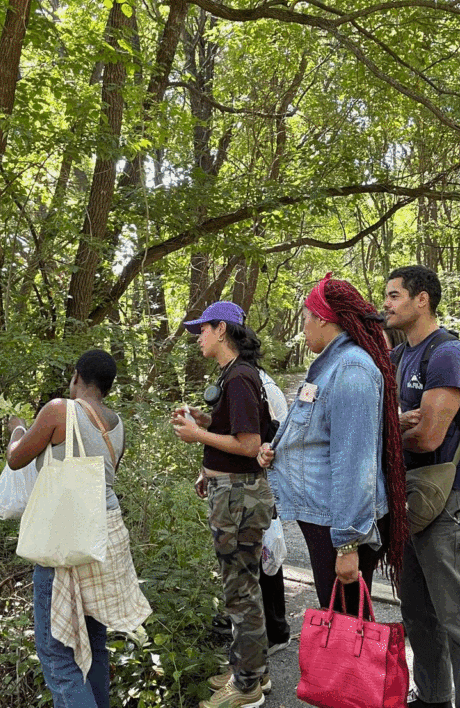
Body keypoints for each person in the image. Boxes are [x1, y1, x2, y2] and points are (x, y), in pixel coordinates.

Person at [6, 349, 151, 708]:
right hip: (105, 536)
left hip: (65, 539)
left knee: (57, 655)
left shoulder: (59, 409)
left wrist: (17, 429)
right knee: (94, 644)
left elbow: (16, 458)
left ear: (76, 377)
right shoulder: (117, 425)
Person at [261, 273, 407, 617]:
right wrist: (277, 450)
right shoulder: (330, 367)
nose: (304, 327)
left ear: (323, 319)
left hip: (338, 526)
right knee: (343, 622)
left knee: (348, 628)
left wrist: (348, 545)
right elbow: (317, 432)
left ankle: (353, 676)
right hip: (328, 521)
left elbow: (354, 462)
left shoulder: (351, 370)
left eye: (306, 318)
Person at [383, 265, 460, 708]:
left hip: (448, 501)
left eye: (394, 295)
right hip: (410, 499)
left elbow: (429, 437)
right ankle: (432, 699)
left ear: (421, 299)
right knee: (418, 613)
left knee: (459, 619)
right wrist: (396, 425)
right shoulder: (397, 357)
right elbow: (392, 422)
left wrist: (394, 428)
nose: (385, 304)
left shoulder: (447, 355)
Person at [171, 301, 274, 708]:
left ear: (221, 329)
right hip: (232, 491)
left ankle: (246, 686)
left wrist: (198, 436)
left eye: (202, 329)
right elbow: (238, 431)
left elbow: (250, 445)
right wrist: (208, 423)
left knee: (240, 591)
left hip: (238, 497)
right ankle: (253, 670)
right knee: (244, 585)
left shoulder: (239, 379)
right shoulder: (235, 376)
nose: (198, 337)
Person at [212, 368, 291, 656]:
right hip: (253, 484)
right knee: (260, 564)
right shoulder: (246, 381)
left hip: (258, 484)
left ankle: (273, 635)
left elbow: (262, 439)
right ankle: (262, 641)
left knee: (263, 565)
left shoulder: (250, 384)